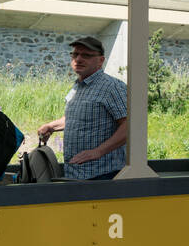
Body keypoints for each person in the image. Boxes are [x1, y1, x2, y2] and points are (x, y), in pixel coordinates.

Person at [36, 36, 128, 181]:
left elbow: (130, 126)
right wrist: (51, 126)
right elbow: (78, 118)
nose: (78, 59)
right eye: (75, 54)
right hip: (76, 174)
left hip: (103, 175)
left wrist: (98, 152)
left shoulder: (112, 87)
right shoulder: (78, 86)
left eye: (86, 55)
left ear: (100, 60)